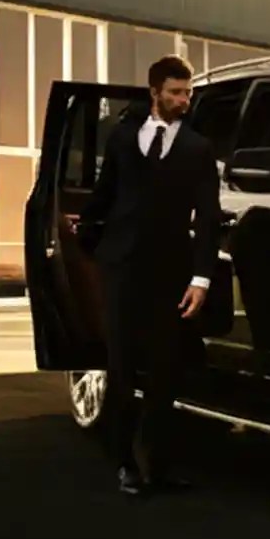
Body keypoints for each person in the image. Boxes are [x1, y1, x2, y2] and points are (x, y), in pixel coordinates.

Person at [77, 54, 221, 497]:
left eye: (188, 93)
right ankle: (124, 464)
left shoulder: (198, 149)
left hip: (170, 275)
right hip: (121, 269)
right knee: (121, 370)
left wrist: (201, 278)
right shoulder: (123, 139)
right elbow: (104, 195)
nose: (184, 100)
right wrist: (85, 237)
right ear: (155, 92)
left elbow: (209, 217)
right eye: (176, 92)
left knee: (164, 374)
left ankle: (157, 466)